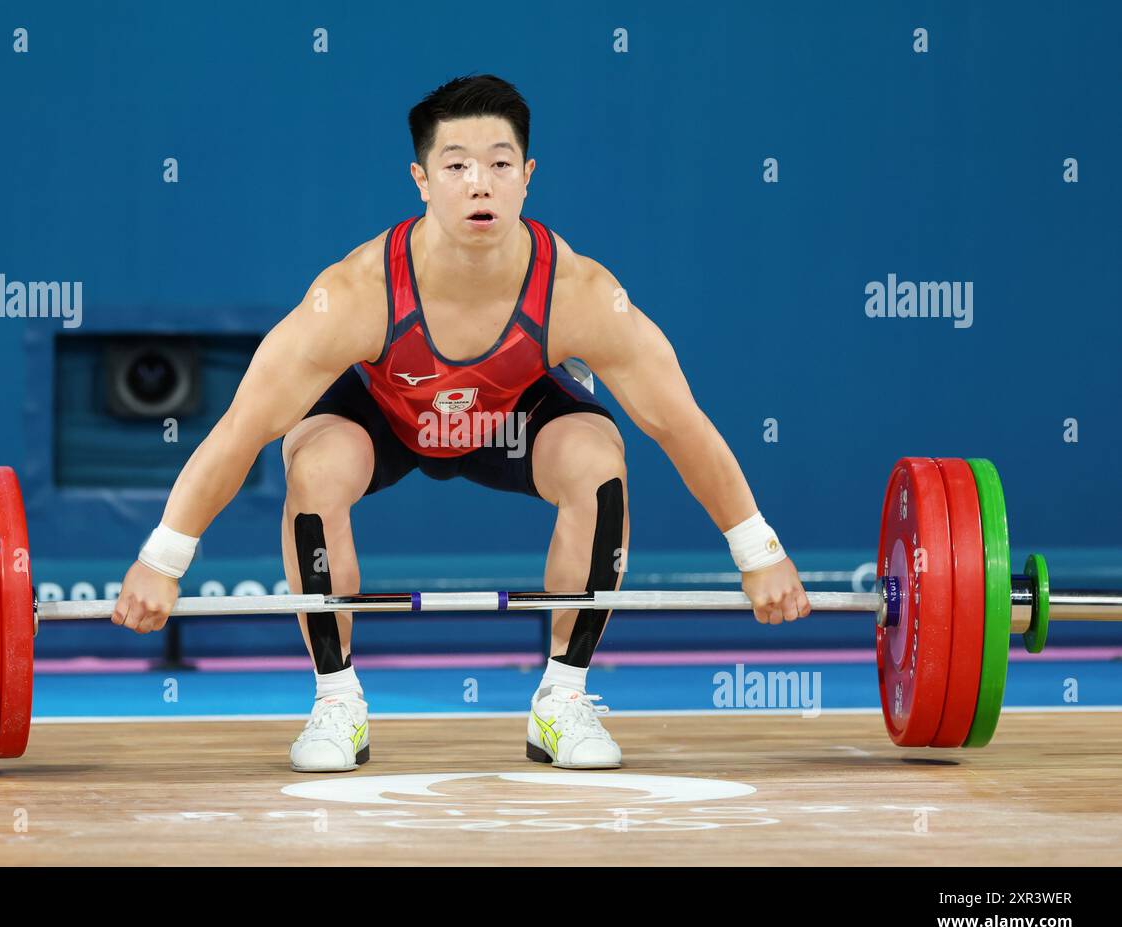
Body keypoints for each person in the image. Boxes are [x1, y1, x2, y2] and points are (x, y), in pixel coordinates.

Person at [112, 74, 811, 773]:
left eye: (501, 164)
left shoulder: (579, 293)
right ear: (420, 178)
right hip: (385, 418)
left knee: (599, 460)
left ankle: (562, 701)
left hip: (512, 422)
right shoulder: (355, 293)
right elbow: (242, 429)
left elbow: (680, 425)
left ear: (528, 177)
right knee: (313, 463)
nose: (481, 184)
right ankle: (336, 703)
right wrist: (161, 560)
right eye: (457, 166)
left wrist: (759, 553)